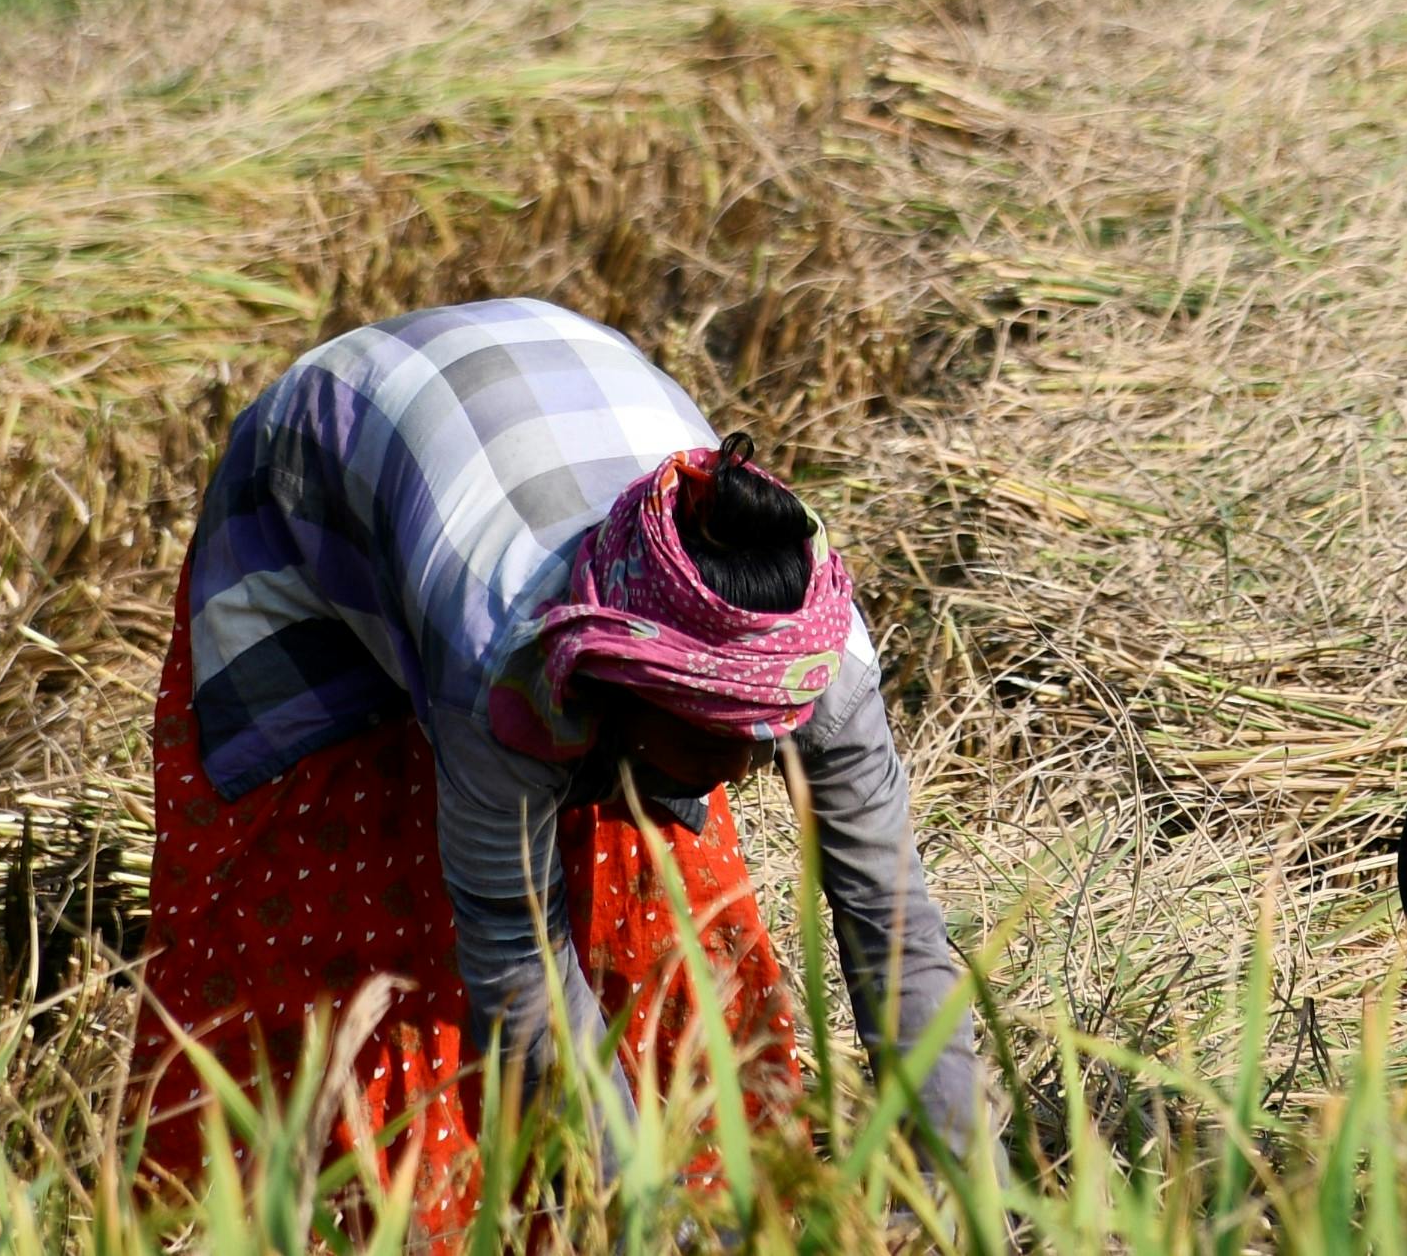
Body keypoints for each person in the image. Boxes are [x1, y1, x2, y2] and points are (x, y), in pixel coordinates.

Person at [133, 297, 980, 1219]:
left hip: (538, 410)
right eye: (709, 738)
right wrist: (637, 1213)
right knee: (353, 913)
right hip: (318, 482)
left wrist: (958, 1192)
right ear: (614, 679)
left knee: (659, 904)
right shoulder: (508, 654)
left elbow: (893, 923)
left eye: (759, 740)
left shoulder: (822, 662)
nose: (743, 770)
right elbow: (518, 967)